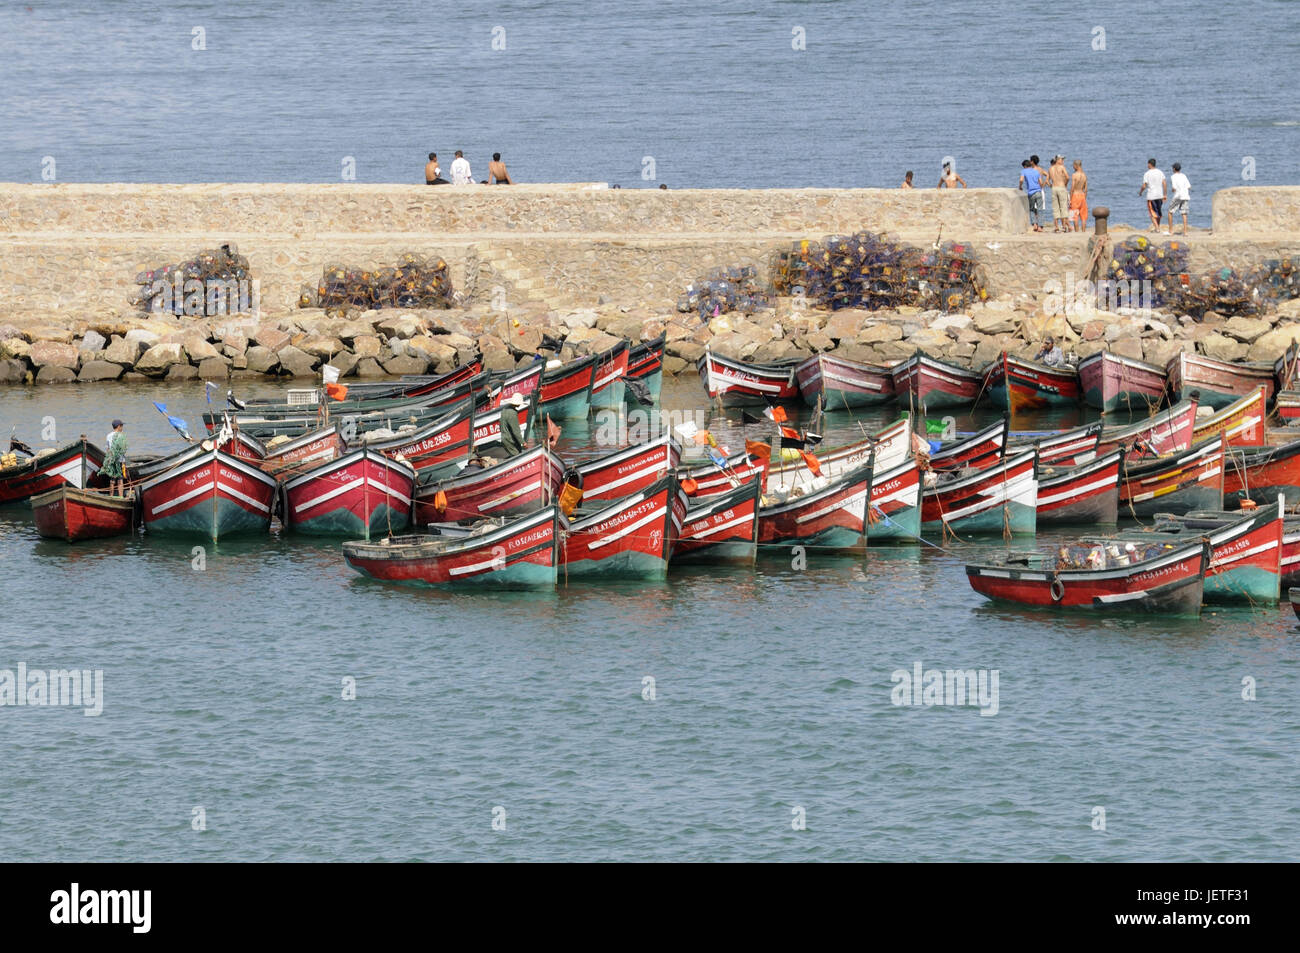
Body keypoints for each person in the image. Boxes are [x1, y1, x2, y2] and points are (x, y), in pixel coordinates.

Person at [102, 419, 128, 496]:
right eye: (122, 426)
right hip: (119, 460)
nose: (122, 428)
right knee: (120, 480)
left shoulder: (108, 435)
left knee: (112, 479)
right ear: (119, 426)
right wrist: (123, 461)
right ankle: (120, 496)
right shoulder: (121, 435)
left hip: (111, 459)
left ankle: (111, 496)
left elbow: (107, 449)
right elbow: (123, 449)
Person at [1139, 158, 1166, 231]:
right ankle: (1158, 227)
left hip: (1151, 196)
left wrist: (1140, 192)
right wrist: (1165, 194)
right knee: (1158, 213)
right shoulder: (1160, 172)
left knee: (1152, 213)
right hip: (1160, 195)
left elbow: (1144, 185)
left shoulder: (1147, 174)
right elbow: (1164, 183)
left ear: (1149, 164)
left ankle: (1157, 228)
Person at [1047, 155, 1071, 232]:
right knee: (1063, 207)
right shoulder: (1062, 167)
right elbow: (1067, 177)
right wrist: (1065, 184)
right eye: (1062, 159)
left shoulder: (1050, 168)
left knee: (1055, 208)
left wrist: (1051, 186)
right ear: (1057, 160)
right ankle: (1064, 226)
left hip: (1054, 188)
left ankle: (1056, 227)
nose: (1063, 161)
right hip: (1061, 187)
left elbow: (1047, 180)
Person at [1020, 159, 1045, 232]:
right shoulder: (1036, 171)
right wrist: (1040, 188)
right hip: (1038, 191)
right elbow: (1040, 182)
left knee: (1031, 209)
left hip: (1031, 193)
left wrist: (1020, 186)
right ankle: (1040, 227)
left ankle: (1034, 224)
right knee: (1040, 209)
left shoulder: (1024, 171)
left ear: (1025, 166)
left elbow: (1021, 180)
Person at [1168, 162, 1190, 235]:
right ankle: (1185, 232)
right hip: (1185, 196)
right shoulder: (1184, 175)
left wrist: (1173, 190)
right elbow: (1189, 186)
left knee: (1170, 211)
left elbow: (1174, 188)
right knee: (1184, 213)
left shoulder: (1173, 176)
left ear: (1174, 169)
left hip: (1178, 196)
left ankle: (1170, 231)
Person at [1068, 159, 1088, 231]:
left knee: (1075, 216)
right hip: (1082, 195)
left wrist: (1070, 199)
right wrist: (1084, 198)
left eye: (1073, 165)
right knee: (1083, 217)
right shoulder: (1084, 175)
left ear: (1076, 165)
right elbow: (1085, 189)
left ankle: (1077, 232)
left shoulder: (1074, 175)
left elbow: (1072, 188)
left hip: (1075, 195)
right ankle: (1083, 231)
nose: (1073, 167)